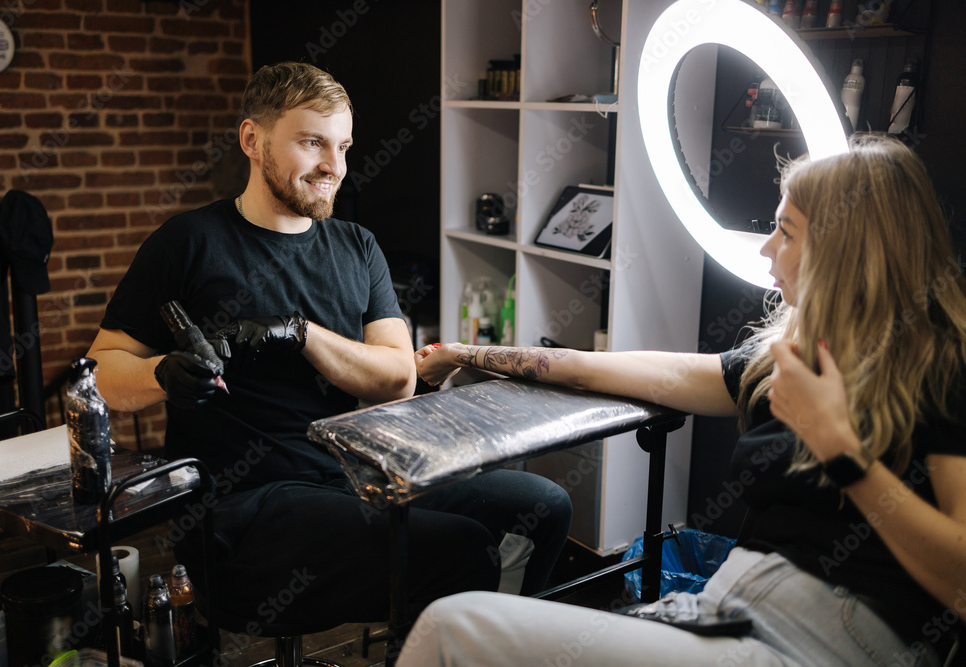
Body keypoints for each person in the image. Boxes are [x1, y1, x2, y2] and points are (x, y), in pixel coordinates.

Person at [398, 135, 966, 666]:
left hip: (823, 638)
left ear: (848, 250)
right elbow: (611, 370)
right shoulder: (786, 359)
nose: (767, 250)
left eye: (786, 232)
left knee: (449, 626)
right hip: (727, 613)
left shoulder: (944, 368)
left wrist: (842, 451)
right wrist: (466, 354)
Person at [86, 61, 571, 632]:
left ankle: (490, 641)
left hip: (352, 475)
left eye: (343, 146)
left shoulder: (357, 247)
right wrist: (162, 373)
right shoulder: (188, 244)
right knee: (461, 548)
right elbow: (101, 370)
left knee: (543, 506)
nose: (333, 167)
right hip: (244, 506)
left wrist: (300, 334)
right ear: (252, 140)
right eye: (312, 143)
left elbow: (396, 377)